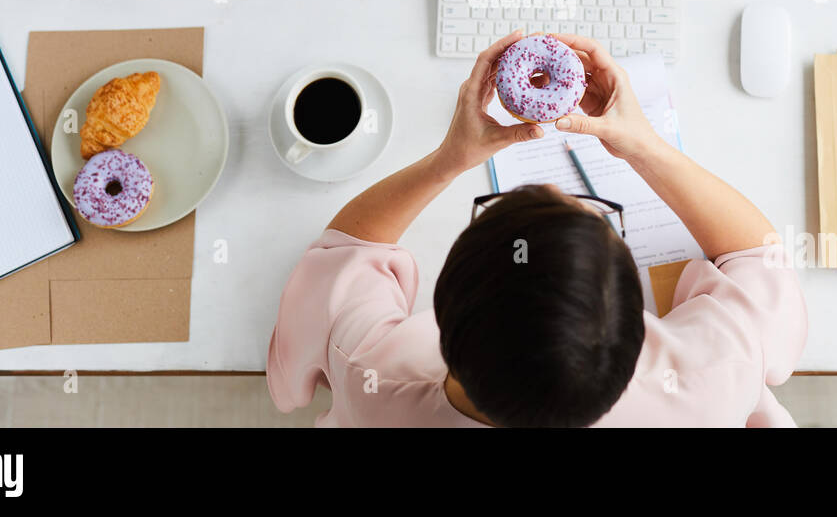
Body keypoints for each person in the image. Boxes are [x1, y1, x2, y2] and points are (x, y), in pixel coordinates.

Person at [267, 30, 806, 427]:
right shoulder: (711, 375)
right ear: (636, 333)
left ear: (439, 319)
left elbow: (344, 252)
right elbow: (758, 258)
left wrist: (448, 160)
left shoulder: (376, 379)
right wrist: (644, 145)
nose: (554, 188)